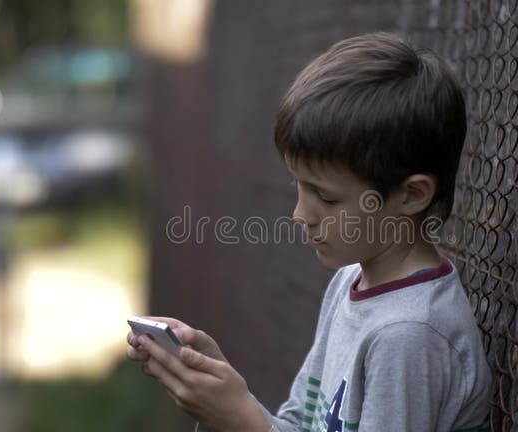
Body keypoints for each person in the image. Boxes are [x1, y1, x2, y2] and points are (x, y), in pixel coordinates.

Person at [127, 32, 492, 432]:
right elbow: (301, 425)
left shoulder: (409, 336)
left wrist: (243, 421)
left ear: (411, 195)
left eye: (326, 197)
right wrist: (224, 393)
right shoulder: (349, 283)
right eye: (298, 185)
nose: (300, 214)